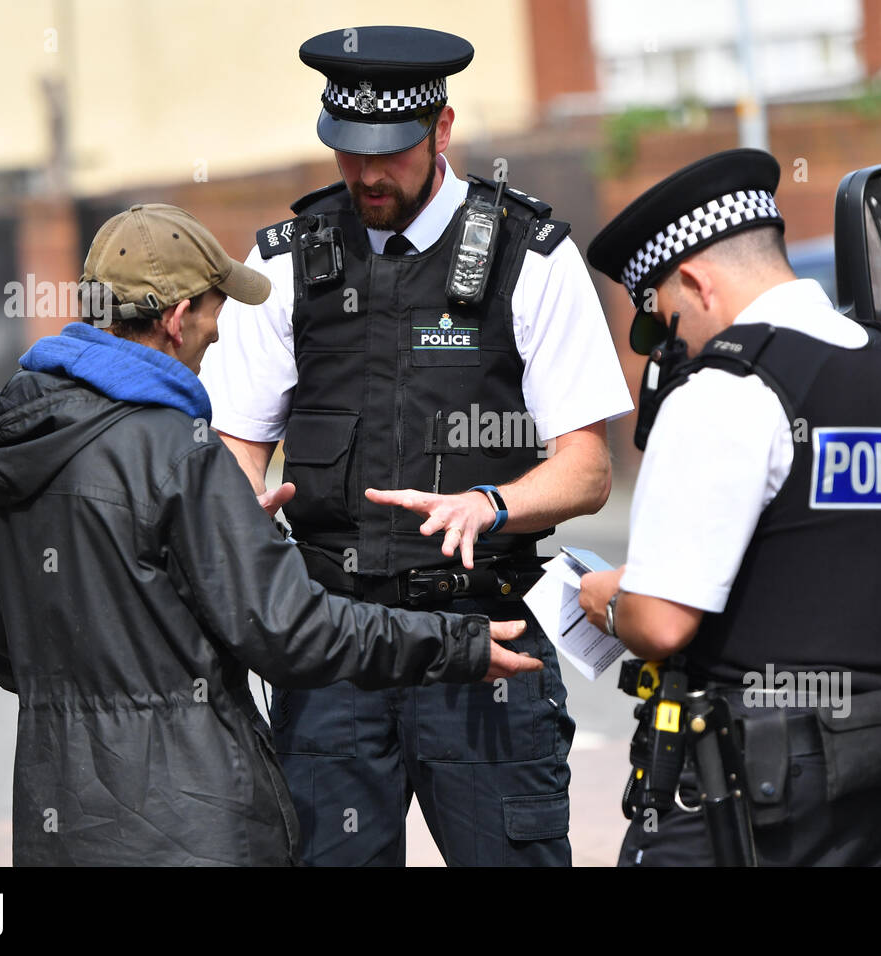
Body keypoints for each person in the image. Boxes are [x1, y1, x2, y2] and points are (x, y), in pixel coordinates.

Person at [0, 203, 538, 867]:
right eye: (212, 313)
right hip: (193, 828)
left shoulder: (23, 445)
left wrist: (208, 556)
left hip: (60, 829)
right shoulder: (177, 449)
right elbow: (294, 634)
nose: (215, 334)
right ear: (177, 319)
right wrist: (453, 644)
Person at [199, 26, 634, 866]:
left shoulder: (532, 259)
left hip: (485, 636)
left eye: (389, 153)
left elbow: (588, 470)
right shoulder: (283, 264)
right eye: (347, 152)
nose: (366, 175)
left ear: (441, 130)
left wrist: (493, 503)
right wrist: (238, 509)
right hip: (331, 639)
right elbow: (238, 447)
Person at [578, 149, 881, 866]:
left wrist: (609, 600)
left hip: (749, 791)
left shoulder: (724, 392)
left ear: (694, 283)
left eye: (664, 322)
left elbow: (662, 623)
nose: (673, 348)